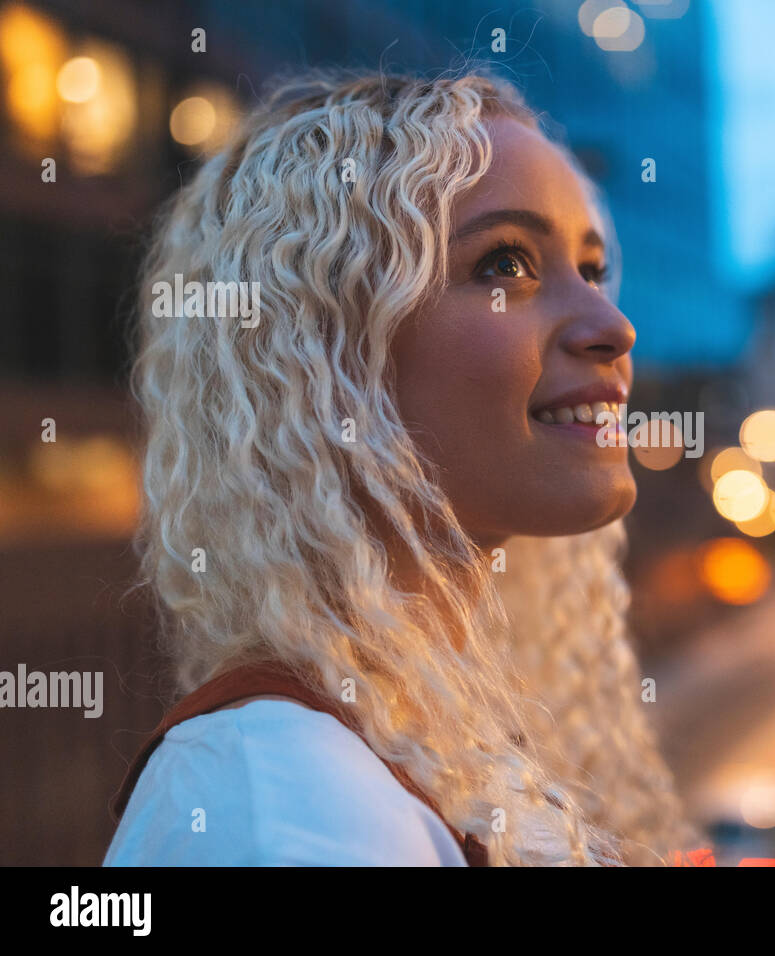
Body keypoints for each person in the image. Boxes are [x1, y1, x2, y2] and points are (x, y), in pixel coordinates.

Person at [103, 68, 702, 866]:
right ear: (326, 357)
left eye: (591, 270)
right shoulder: (283, 799)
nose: (612, 325)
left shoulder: (416, 744)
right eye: (505, 265)